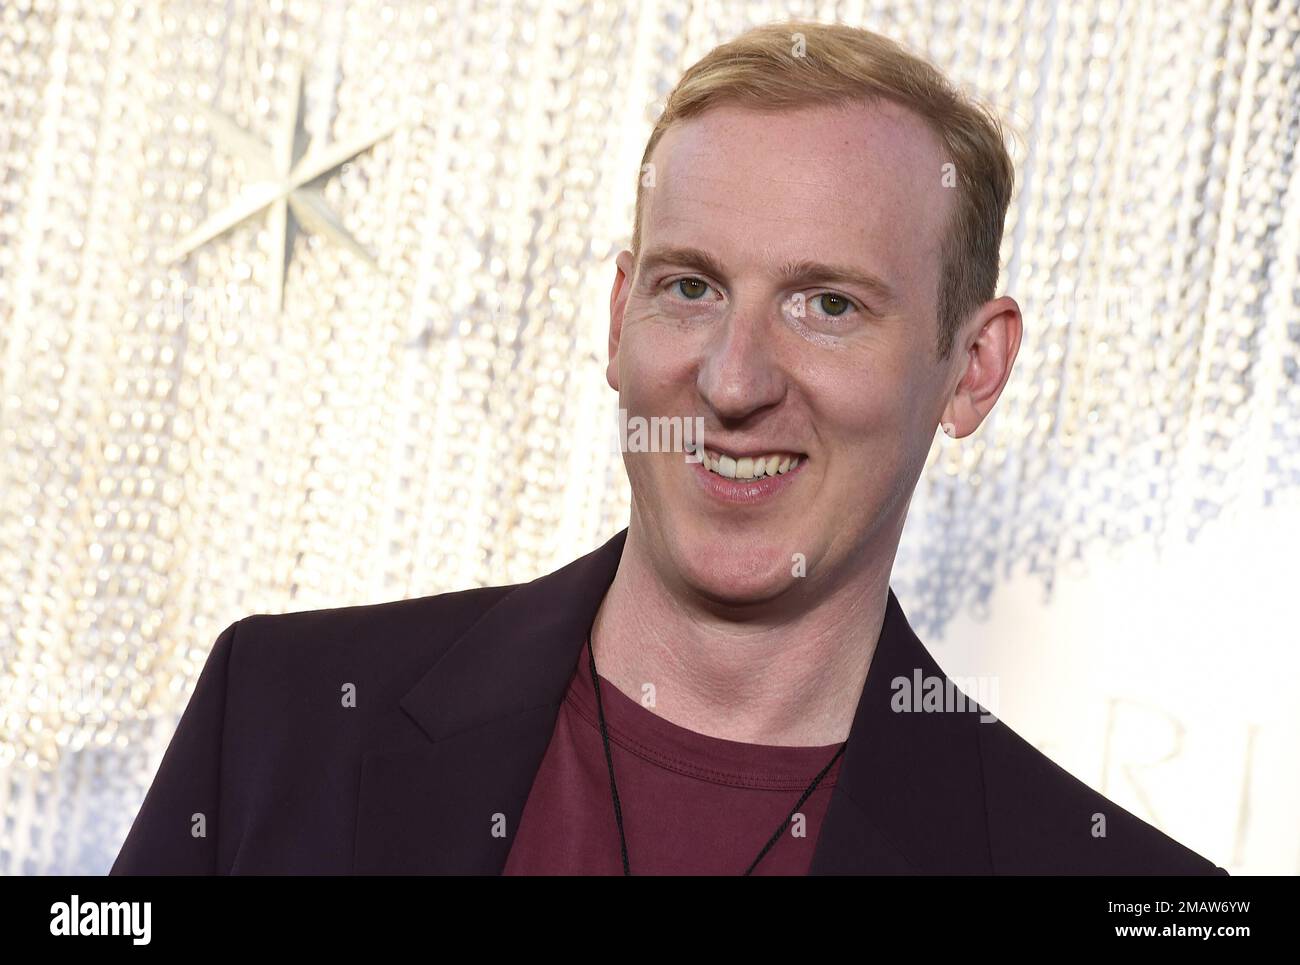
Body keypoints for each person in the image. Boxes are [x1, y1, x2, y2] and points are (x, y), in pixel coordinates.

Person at [111, 19, 1226, 875]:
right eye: (689, 286)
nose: (733, 380)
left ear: (971, 369)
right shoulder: (283, 716)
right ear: (616, 317)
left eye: (827, 304)